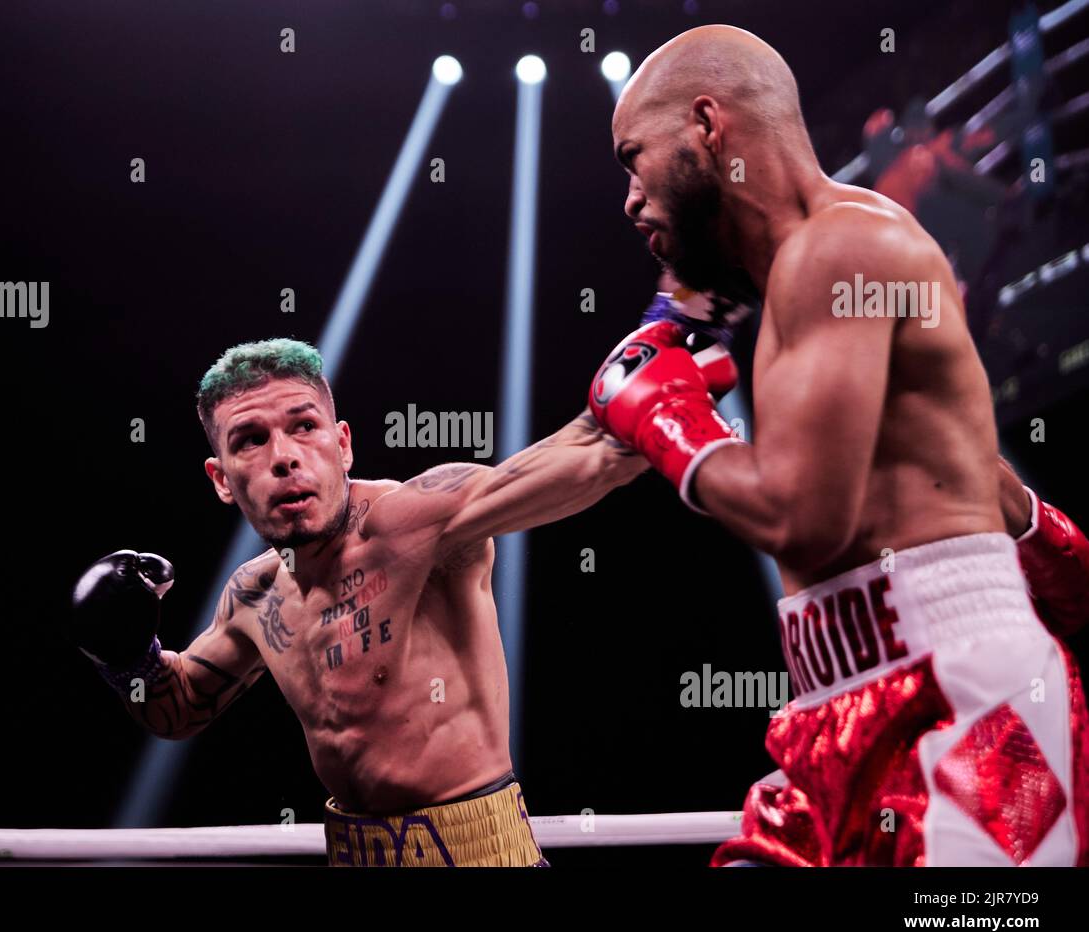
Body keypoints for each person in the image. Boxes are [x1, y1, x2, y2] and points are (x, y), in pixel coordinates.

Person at [592, 24, 1089, 865]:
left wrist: (669, 422)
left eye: (632, 157)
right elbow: (953, 466)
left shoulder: (843, 247)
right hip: (835, 712)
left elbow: (806, 518)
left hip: (968, 712)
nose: (630, 198)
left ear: (709, 126)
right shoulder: (791, 274)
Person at [72, 338, 649, 866]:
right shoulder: (254, 592)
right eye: (251, 440)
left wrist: (651, 392)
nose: (285, 456)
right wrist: (124, 657)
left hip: (481, 852)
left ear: (343, 444)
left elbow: (583, 462)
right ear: (222, 479)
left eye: (304, 427)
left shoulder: (413, 524)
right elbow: (177, 709)